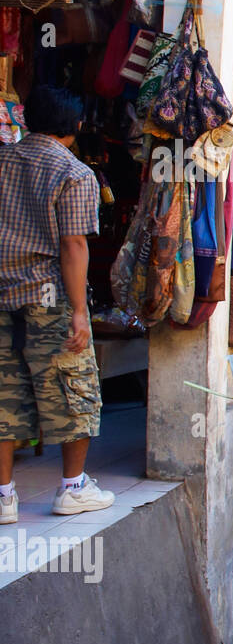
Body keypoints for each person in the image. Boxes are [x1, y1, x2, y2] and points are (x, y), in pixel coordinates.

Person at [0, 85, 114, 525]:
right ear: (77, 126)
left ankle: (5, 495)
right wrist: (80, 312)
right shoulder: (73, 172)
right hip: (47, 297)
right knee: (73, 389)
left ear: (28, 118)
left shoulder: (4, 160)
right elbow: (72, 245)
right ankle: (72, 488)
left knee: (5, 393)